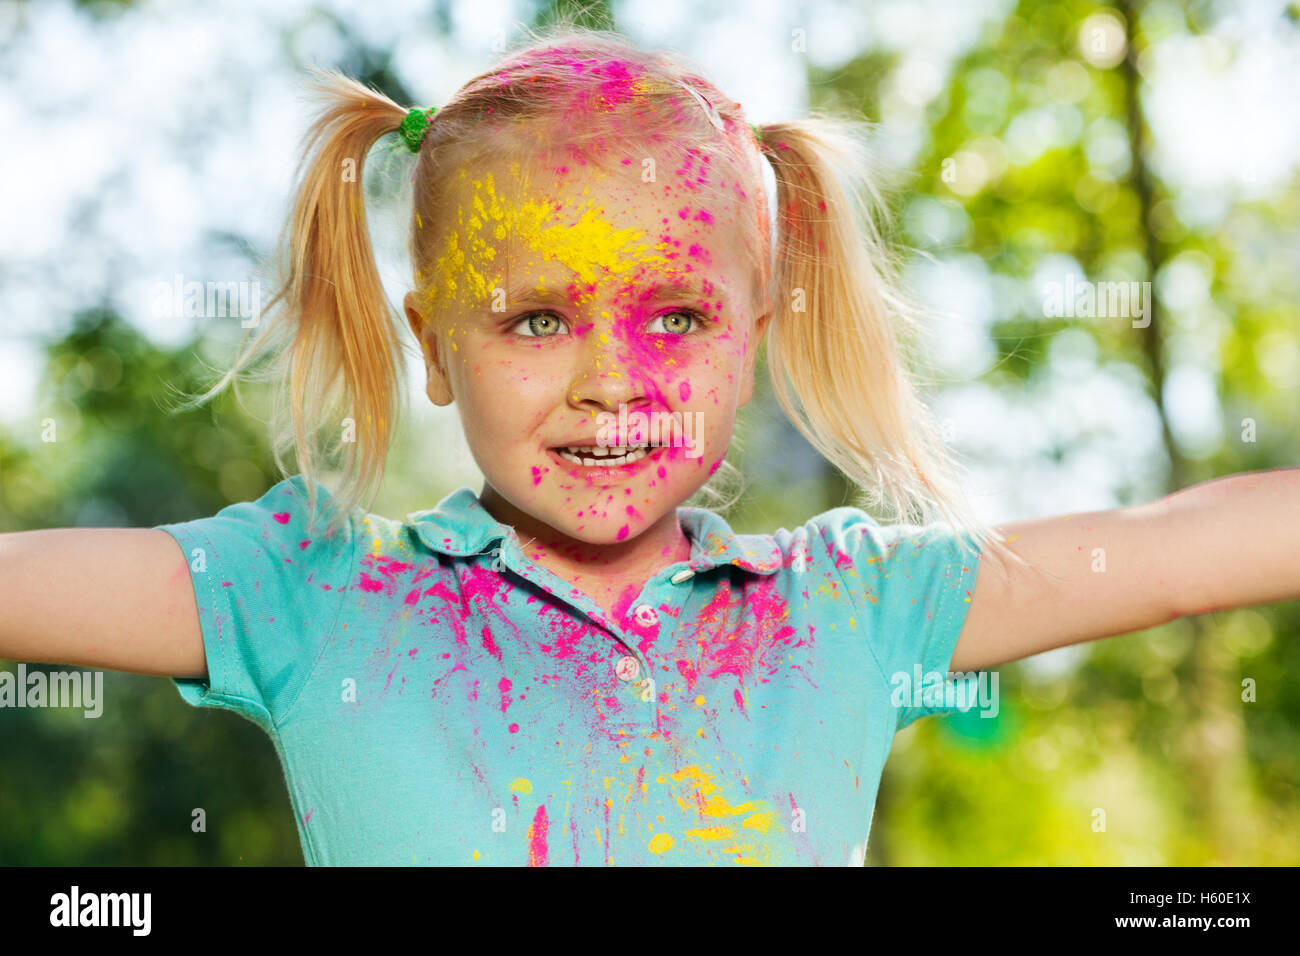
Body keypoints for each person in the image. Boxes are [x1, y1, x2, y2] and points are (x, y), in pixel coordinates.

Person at [4, 27, 1297, 866]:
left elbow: (1171, 552)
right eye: (538, 318)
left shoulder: (852, 606)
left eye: (676, 314)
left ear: (753, 336)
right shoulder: (311, 592)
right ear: (436, 346)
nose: (613, 379)